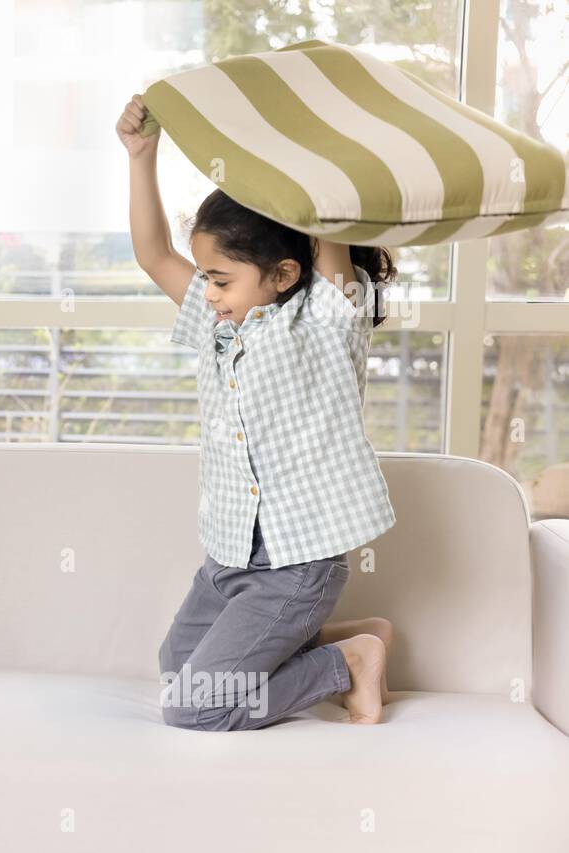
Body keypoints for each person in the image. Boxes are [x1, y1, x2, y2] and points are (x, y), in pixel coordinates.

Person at [116, 94, 397, 731]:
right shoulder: (222, 325)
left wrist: (318, 144)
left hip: (295, 564)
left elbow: (331, 224)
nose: (207, 292)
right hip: (230, 559)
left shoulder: (326, 316)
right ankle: (354, 637)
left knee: (195, 705)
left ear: (283, 273)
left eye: (220, 279)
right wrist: (141, 155)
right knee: (176, 668)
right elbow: (154, 254)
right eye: (207, 279)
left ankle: (347, 662)